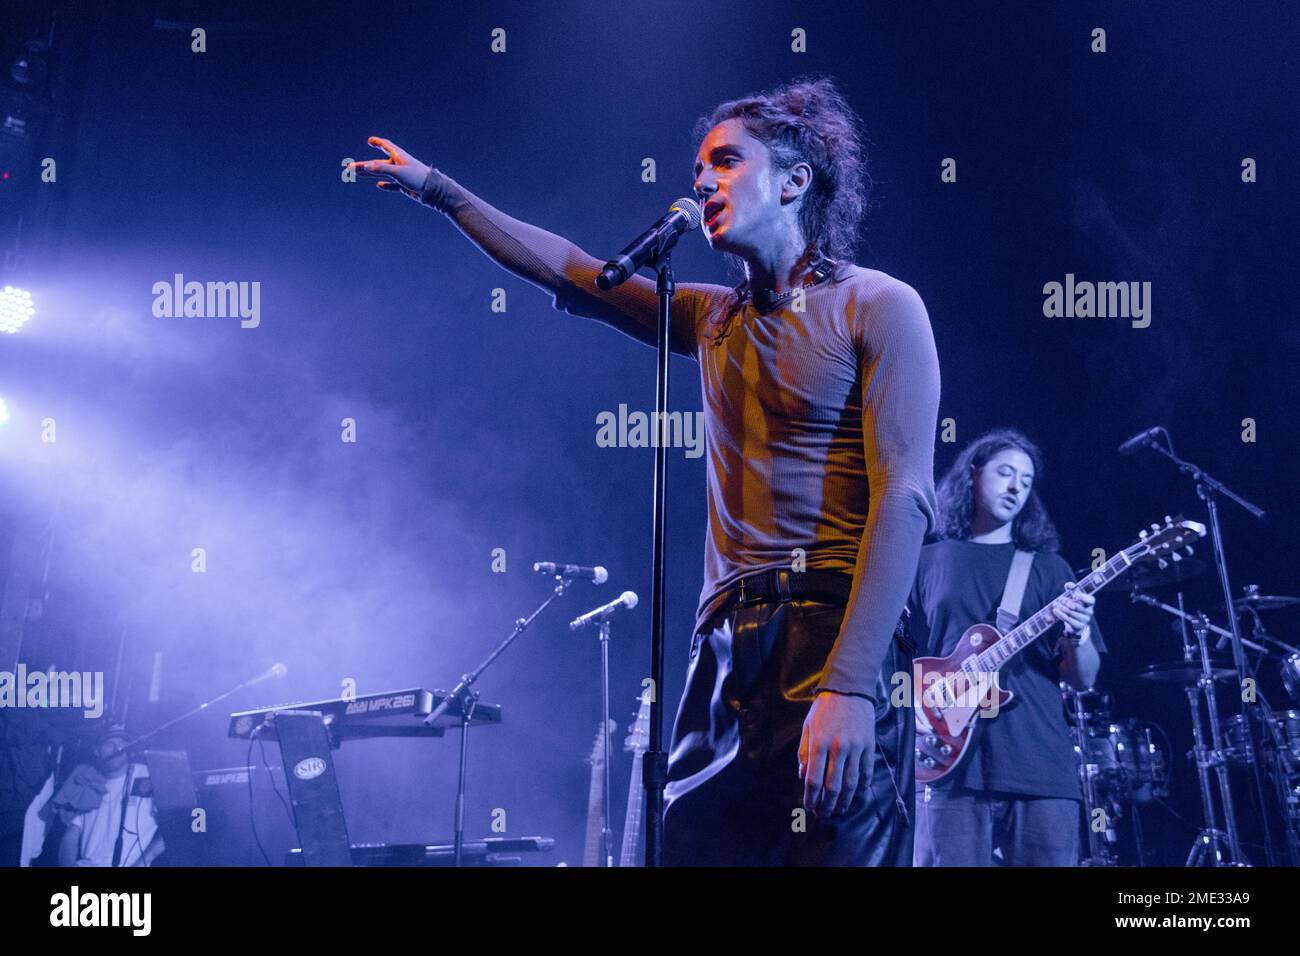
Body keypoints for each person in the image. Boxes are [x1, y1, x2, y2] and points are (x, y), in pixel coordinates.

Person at [350, 75, 940, 865]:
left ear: (795, 181)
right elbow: (571, 269)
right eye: (700, 168)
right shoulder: (709, 316)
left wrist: (853, 685)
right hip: (725, 645)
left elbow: (905, 496)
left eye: (726, 162)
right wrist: (439, 191)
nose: (701, 181)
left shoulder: (879, 305)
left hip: (831, 633)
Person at [908, 428, 1104, 867]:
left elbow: (1083, 678)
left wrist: (1080, 634)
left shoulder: (1050, 568)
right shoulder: (926, 560)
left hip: (1039, 767)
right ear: (973, 475)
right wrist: (908, 707)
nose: (1017, 486)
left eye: (1027, 479)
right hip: (947, 767)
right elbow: (893, 650)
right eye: (1005, 473)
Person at [56, 725, 164, 867]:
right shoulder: (87, 778)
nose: (117, 749)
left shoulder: (149, 776)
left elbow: (174, 828)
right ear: (97, 750)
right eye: (109, 744)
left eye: (123, 744)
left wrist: (140, 864)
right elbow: (72, 834)